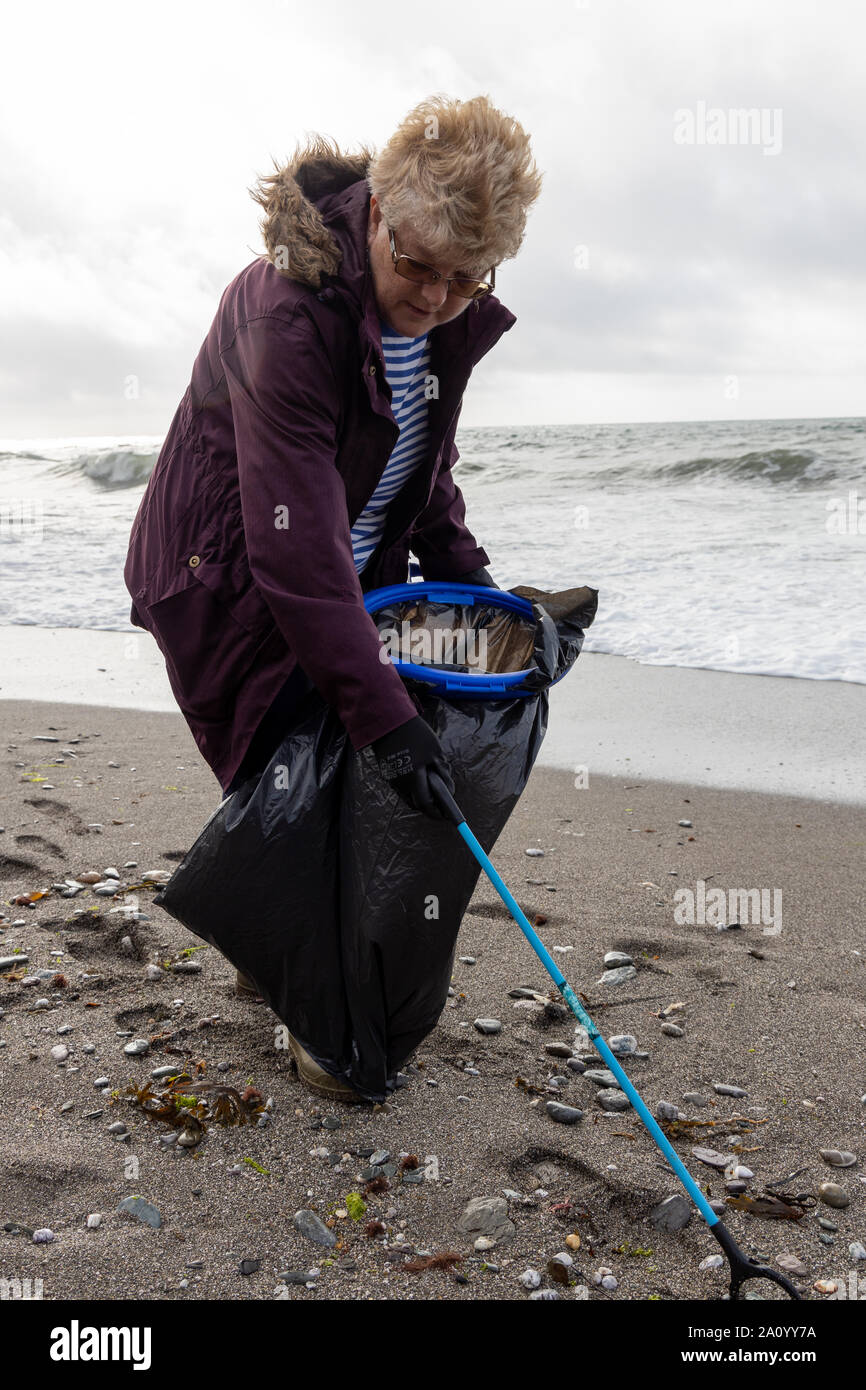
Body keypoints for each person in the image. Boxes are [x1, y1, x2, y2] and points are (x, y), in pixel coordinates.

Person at [124, 93, 542, 1101]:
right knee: (297, 770)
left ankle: (266, 934)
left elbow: (420, 471)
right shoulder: (288, 312)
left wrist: (479, 589)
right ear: (377, 215)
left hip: (337, 575)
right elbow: (296, 545)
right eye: (418, 267)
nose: (437, 297)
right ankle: (309, 999)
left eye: (465, 278)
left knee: (325, 779)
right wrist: (389, 724)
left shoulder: (438, 318)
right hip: (222, 575)